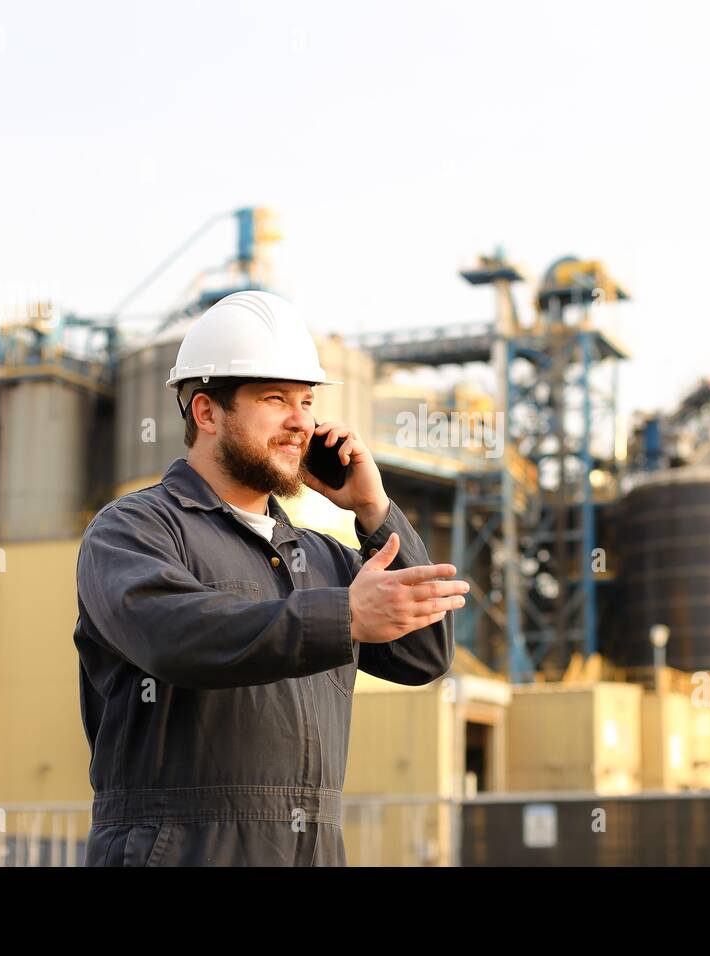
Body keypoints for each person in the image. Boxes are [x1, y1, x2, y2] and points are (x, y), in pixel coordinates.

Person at [73, 290, 467, 865]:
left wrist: (375, 510)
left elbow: (423, 654)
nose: (300, 423)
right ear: (206, 412)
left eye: (307, 402)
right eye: (276, 398)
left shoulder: (325, 560)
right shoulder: (132, 530)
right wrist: (345, 616)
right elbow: (174, 636)